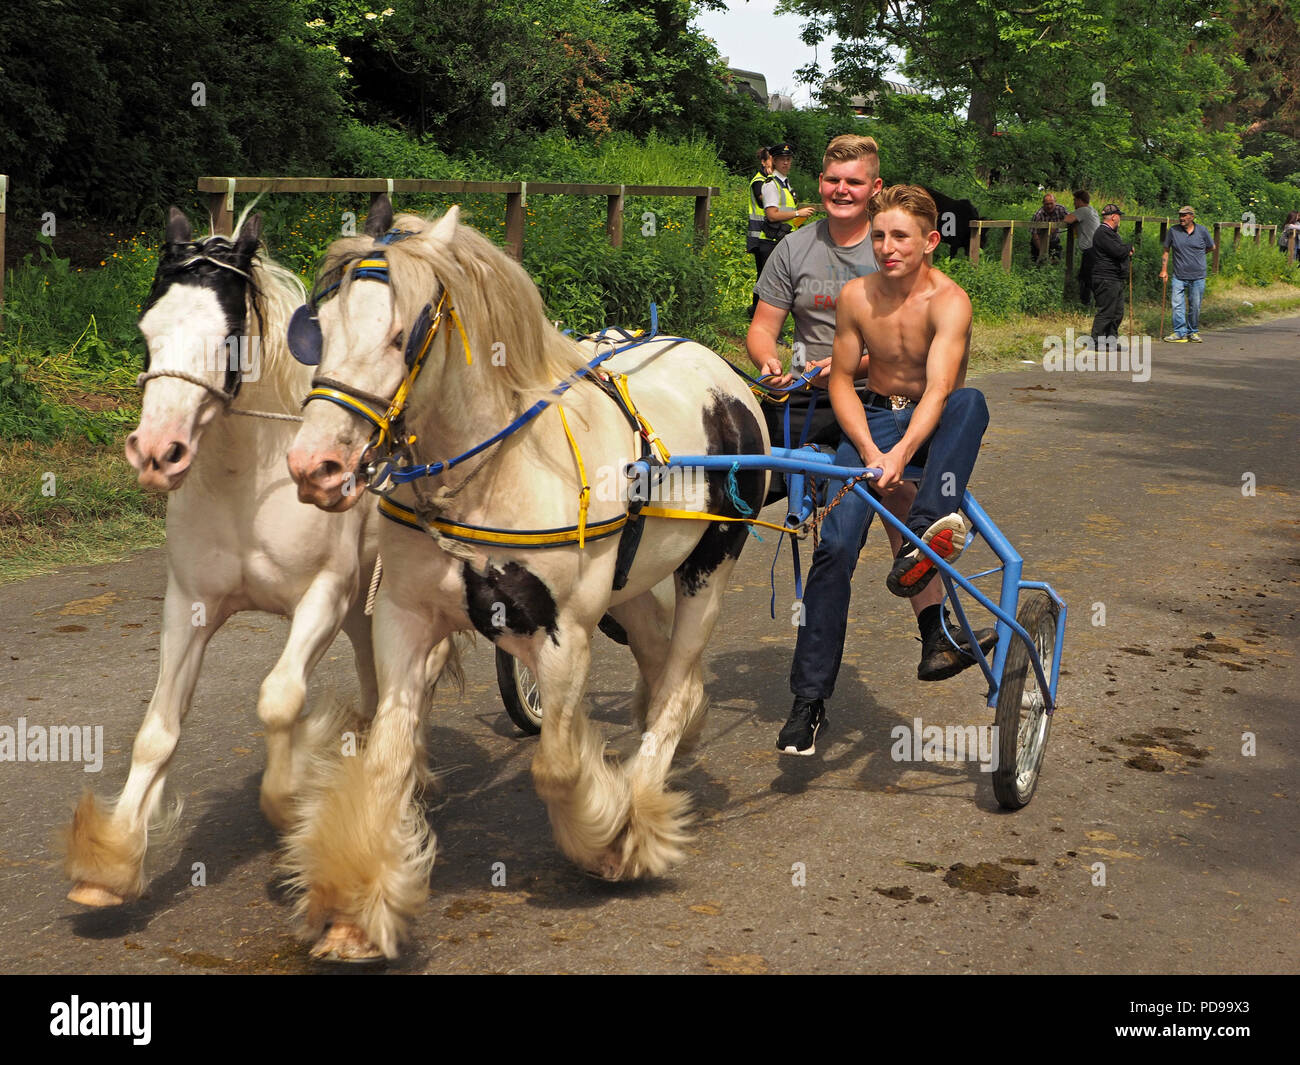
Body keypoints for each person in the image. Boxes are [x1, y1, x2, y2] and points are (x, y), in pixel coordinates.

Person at [771, 183, 994, 756]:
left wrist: (900, 457)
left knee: (973, 403)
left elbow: (941, 388)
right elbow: (842, 380)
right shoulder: (855, 297)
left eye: (900, 236)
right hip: (874, 424)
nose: (887, 246)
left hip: (935, 425)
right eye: (879, 236)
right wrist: (872, 451)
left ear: (930, 241)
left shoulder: (950, 300)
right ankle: (809, 702)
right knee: (835, 549)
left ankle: (924, 535)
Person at [1160, 206, 1215, 343]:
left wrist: (1198, 255)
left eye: (1184, 216)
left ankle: (1193, 332)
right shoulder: (1173, 231)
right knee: (1177, 304)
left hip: (1198, 275)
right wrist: (1164, 270)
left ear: (1192, 217)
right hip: (1178, 275)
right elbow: (1166, 250)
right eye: (1180, 215)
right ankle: (1179, 332)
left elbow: (1212, 247)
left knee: (1195, 305)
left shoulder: (1202, 231)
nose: (1181, 218)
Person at [1090, 204, 1132, 343]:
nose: (1120, 219)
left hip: (1115, 278)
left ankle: (1111, 340)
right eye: (1119, 216)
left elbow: (1119, 249)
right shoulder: (1102, 233)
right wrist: (1129, 248)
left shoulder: (1112, 233)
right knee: (1106, 311)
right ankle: (1097, 341)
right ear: (1114, 217)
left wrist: (1125, 249)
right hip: (1106, 278)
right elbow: (1118, 251)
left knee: (1117, 312)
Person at [746, 148, 776, 318]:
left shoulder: (771, 181)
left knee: (766, 274)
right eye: (772, 159)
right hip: (759, 235)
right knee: (764, 274)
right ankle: (756, 311)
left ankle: (755, 309)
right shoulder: (760, 181)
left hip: (769, 235)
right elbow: (765, 200)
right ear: (764, 162)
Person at [1064, 190, 1100, 304]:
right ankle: (1089, 302)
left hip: (1090, 250)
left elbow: (1067, 219)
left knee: (1086, 277)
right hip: (1096, 248)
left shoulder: (1082, 210)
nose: (1074, 203)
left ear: (1080, 200)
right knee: (1087, 276)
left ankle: (1089, 303)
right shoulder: (1092, 210)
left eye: (1074, 200)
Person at [1031, 192, 1068, 262]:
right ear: (1043, 204)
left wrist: (1055, 226)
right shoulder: (1038, 215)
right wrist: (1042, 252)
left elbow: (1069, 218)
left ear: (1055, 202)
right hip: (1039, 241)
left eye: (1051, 203)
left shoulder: (1061, 209)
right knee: (1038, 263)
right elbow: (1034, 235)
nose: (1049, 206)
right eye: (1047, 204)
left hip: (1054, 240)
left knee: (1056, 261)